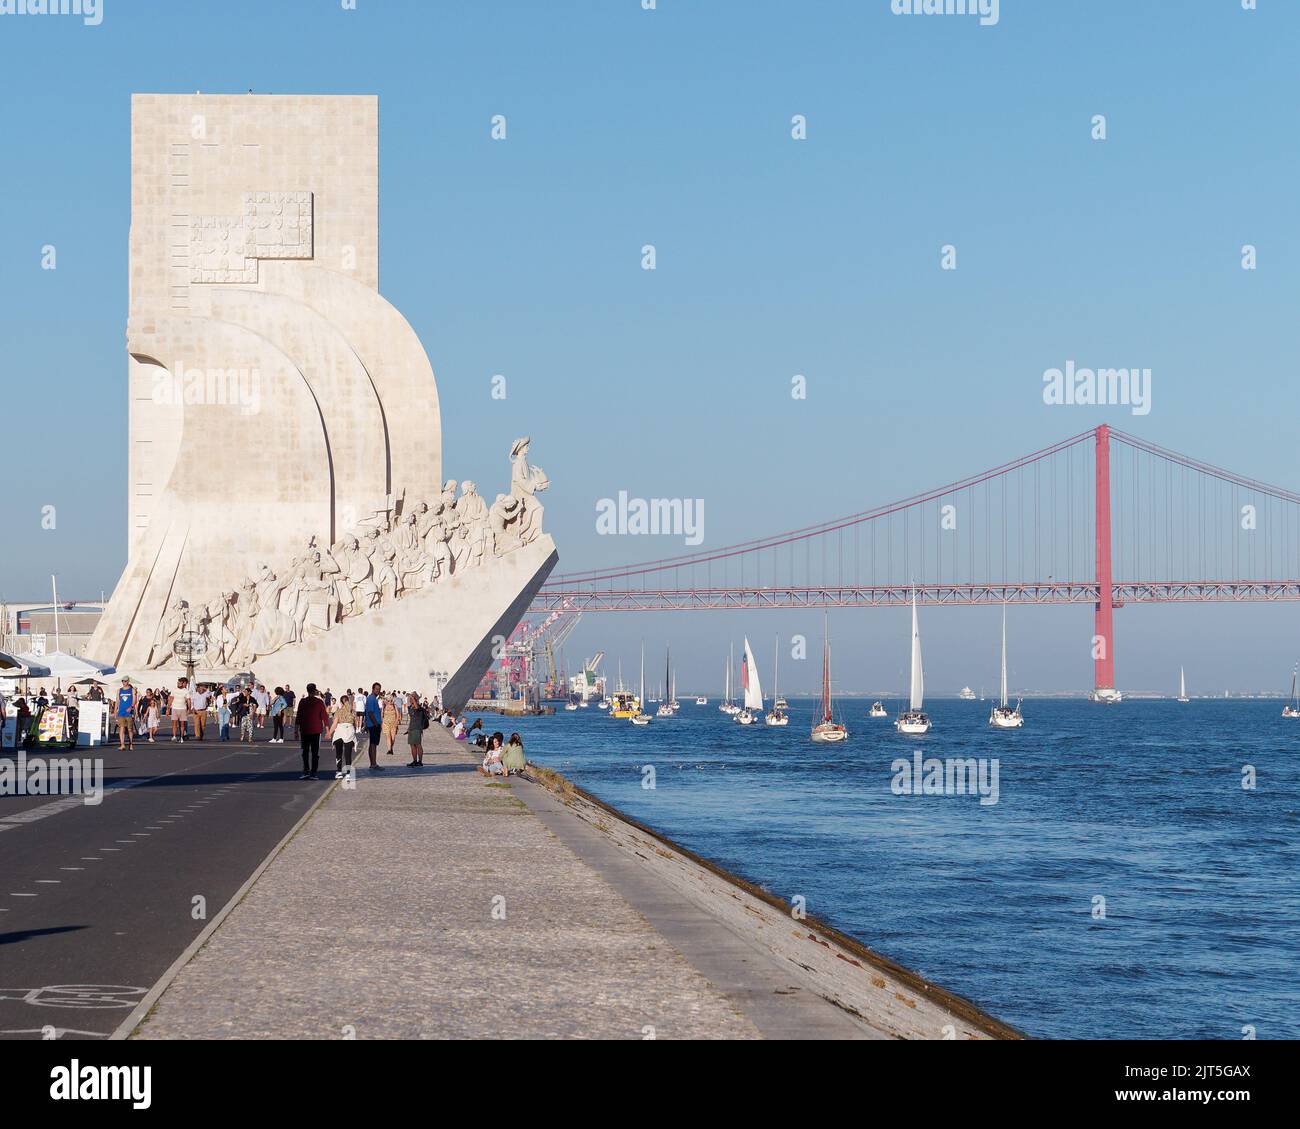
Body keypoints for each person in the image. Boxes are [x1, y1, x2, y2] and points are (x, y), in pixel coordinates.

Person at [295, 682, 328, 781]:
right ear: (314, 691)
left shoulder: (302, 701)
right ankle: (313, 772)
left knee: (305, 752)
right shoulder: (319, 702)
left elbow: (298, 717)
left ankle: (306, 771)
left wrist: (295, 731)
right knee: (315, 753)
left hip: (304, 730)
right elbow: (324, 716)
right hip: (316, 731)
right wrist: (327, 730)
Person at [327, 693, 356, 780]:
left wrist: (329, 733)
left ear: (341, 702)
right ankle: (348, 774)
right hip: (349, 732)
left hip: (339, 732)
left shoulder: (338, 712)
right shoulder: (352, 711)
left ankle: (339, 772)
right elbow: (354, 723)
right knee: (348, 754)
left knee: (338, 753)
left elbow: (335, 724)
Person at [364, 682, 385, 770]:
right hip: (373, 725)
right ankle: (373, 764)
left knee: (373, 744)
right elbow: (370, 712)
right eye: (376, 689)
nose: (378, 690)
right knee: (373, 744)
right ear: (373, 689)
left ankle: (373, 763)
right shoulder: (371, 699)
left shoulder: (373, 698)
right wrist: (376, 724)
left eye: (379, 689)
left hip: (373, 724)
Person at [405, 692, 428, 767]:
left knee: (418, 745)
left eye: (414, 698)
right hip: (411, 728)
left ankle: (420, 761)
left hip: (417, 728)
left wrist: (413, 698)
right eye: (411, 698)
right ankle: (414, 760)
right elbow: (411, 719)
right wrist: (408, 728)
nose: (411, 699)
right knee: (412, 745)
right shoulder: (410, 708)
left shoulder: (419, 708)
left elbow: (417, 707)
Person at [115, 677, 136, 750]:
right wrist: (115, 712)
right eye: (123, 681)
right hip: (121, 711)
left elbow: (134, 700)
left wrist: (131, 707)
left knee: (130, 729)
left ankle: (131, 743)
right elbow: (117, 701)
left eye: (126, 681)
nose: (124, 682)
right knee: (122, 728)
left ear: (128, 681)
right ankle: (122, 744)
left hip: (129, 712)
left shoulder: (132, 690)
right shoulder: (119, 690)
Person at [171, 678, 191, 743]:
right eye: (178, 683)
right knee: (174, 723)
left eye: (179, 683)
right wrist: (168, 708)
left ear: (182, 684)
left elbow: (188, 700)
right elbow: (171, 698)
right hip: (174, 708)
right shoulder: (174, 690)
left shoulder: (186, 691)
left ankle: (182, 737)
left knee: (182, 724)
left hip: (183, 708)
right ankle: (174, 736)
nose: (178, 684)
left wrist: (189, 708)